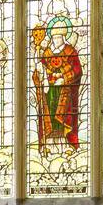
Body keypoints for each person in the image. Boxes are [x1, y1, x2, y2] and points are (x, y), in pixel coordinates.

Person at [31, 13, 82, 151]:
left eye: (59, 37)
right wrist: (41, 78)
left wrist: (64, 79)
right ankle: (48, 145)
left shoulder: (70, 51)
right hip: (49, 92)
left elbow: (77, 71)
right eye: (54, 37)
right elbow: (39, 72)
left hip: (65, 91)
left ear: (64, 37)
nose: (57, 40)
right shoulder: (46, 52)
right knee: (50, 117)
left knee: (63, 117)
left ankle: (65, 145)